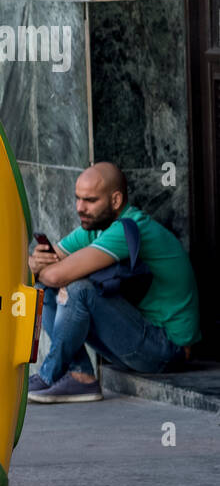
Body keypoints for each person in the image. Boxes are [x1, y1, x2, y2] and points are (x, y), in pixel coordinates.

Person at [26, 162, 200, 404]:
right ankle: (80, 376)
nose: (80, 208)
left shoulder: (128, 228)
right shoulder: (94, 228)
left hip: (166, 351)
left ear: (116, 200)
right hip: (133, 342)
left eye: (89, 200)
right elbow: (50, 260)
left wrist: (36, 270)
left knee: (79, 290)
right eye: (77, 199)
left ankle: (49, 375)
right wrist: (36, 266)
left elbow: (57, 274)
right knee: (49, 289)